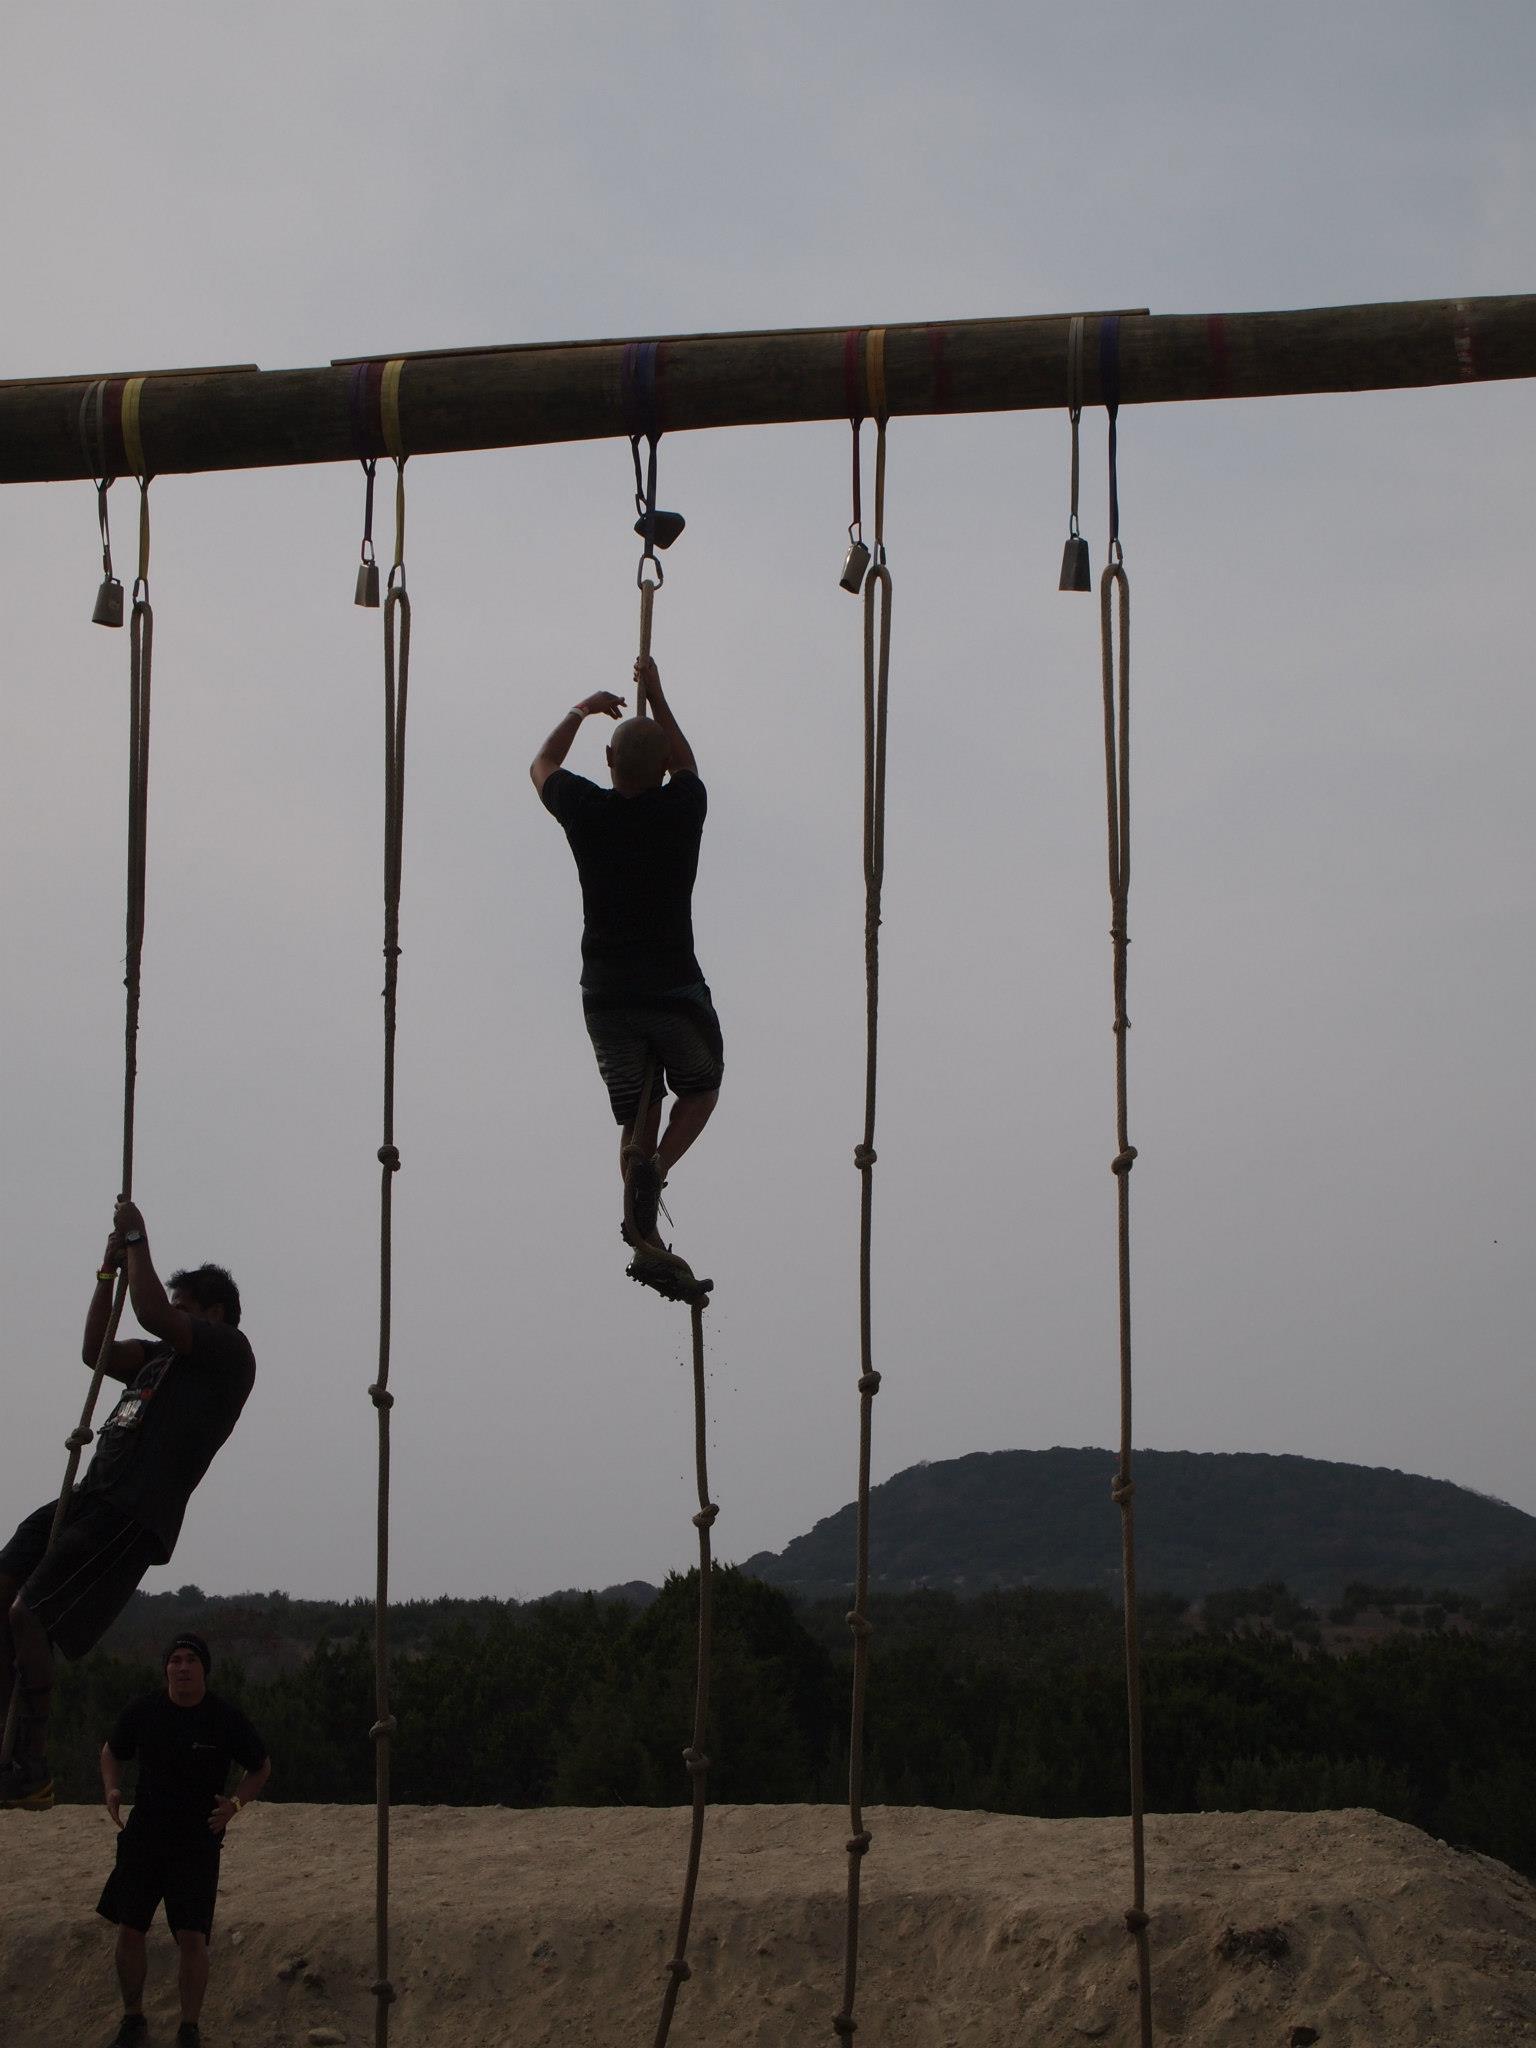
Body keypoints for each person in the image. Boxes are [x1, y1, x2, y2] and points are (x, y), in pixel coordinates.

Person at [0, 1199, 255, 1811]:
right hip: (89, 1495)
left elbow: (152, 1311)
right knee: (2, 1586)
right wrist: (106, 1272)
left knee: (29, 1614)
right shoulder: (160, 1359)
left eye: (186, 1309)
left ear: (214, 1314)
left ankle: (30, 1764)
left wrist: (137, 1235)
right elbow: (97, 1352)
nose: (173, 1319)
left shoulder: (227, 1354)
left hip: (132, 1512)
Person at [531, 653, 722, 1297]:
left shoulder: (587, 810)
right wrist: (660, 696)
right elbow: (688, 764)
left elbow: (542, 765)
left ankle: (640, 1180)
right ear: (661, 765)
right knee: (699, 1086)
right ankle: (656, 1172)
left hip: (607, 995)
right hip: (673, 991)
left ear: (609, 765)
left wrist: (583, 711)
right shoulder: (683, 809)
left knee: (638, 1103)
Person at [98, 1632, 270, 2048]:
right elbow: (110, 1752)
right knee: (130, 1929)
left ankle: (189, 2028)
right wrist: (111, 1789)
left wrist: (235, 1805)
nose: (182, 1667)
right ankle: (133, 2018)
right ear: (166, 1669)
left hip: (197, 1839)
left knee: (192, 1937)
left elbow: (260, 1767)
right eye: (174, 1660)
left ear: (203, 1668)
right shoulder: (144, 1711)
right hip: (145, 1835)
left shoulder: (223, 1717)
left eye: (190, 1659)